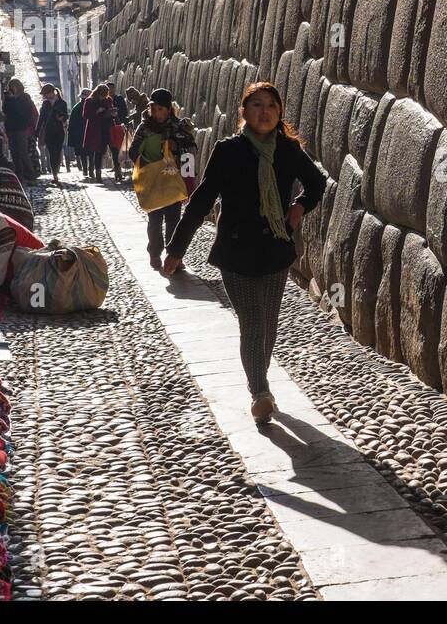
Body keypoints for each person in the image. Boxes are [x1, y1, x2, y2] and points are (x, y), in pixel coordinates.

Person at [163, 82, 326, 424]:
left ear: (279, 112)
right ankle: (260, 392)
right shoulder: (229, 151)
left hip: (275, 250)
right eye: (257, 106)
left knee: (267, 325)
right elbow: (201, 201)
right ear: (244, 112)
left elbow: (316, 183)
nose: (264, 112)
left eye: (271, 106)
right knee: (252, 323)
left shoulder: (288, 150)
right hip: (236, 253)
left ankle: (259, 382)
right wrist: (176, 250)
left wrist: (298, 208)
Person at [128, 88, 197, 272]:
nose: (157, 113)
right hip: (152, 182)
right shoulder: (144, 128)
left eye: (160, 109)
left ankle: (173, 256)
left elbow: (191, 151)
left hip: (172, 181)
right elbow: (133, 151)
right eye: (154, 109)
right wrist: (149, 157)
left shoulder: (179, 127)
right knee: (155, 221)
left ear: (168, 109)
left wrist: (176, 146)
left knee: (174, 220)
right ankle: (154, 252)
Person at [2, 79, 38, 182]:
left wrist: (13, 100)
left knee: (23, 152)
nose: (12, 88)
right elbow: (5, 110)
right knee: (14, 152)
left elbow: (25, 112)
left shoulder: (25, 98)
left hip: (21, 128)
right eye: (11, 86)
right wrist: (9, 99)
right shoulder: (9, 98)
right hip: (11, 128)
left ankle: (30, 175)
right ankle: (19, 175)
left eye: (13, 86)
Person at [82, 85, 116, 182]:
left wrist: (113, 114)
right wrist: (96, 111)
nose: (103, 98)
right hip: (96, 130)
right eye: (102, 96)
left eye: (105, 96)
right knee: (98, 151)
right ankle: (98, 174)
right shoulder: (89, 101)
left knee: (114, 149)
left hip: (107, 128)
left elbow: (110, 110)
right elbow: (85, 115)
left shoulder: (108, 100)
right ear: (97, 94)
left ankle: (118, 171)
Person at [36, 84, 69, 183]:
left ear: (51, 93)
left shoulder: (62, 103)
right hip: (49, 131)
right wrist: (37, 131)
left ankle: (55, 172)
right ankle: (55, 174)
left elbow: (66, 116)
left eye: (45, 94)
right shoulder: (45, 104)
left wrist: (62, 118)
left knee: (57, 151)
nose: (45, 96)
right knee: (51, 152)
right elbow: (41, 118)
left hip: (59, 131)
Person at [68, 88, 91, 176]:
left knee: (84, 153)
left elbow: (71, 124)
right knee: (88, 153)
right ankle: (89, 169)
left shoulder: (76, 107)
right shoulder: (77, 108)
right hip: (84, 134)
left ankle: (87, 169)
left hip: (81, 135)